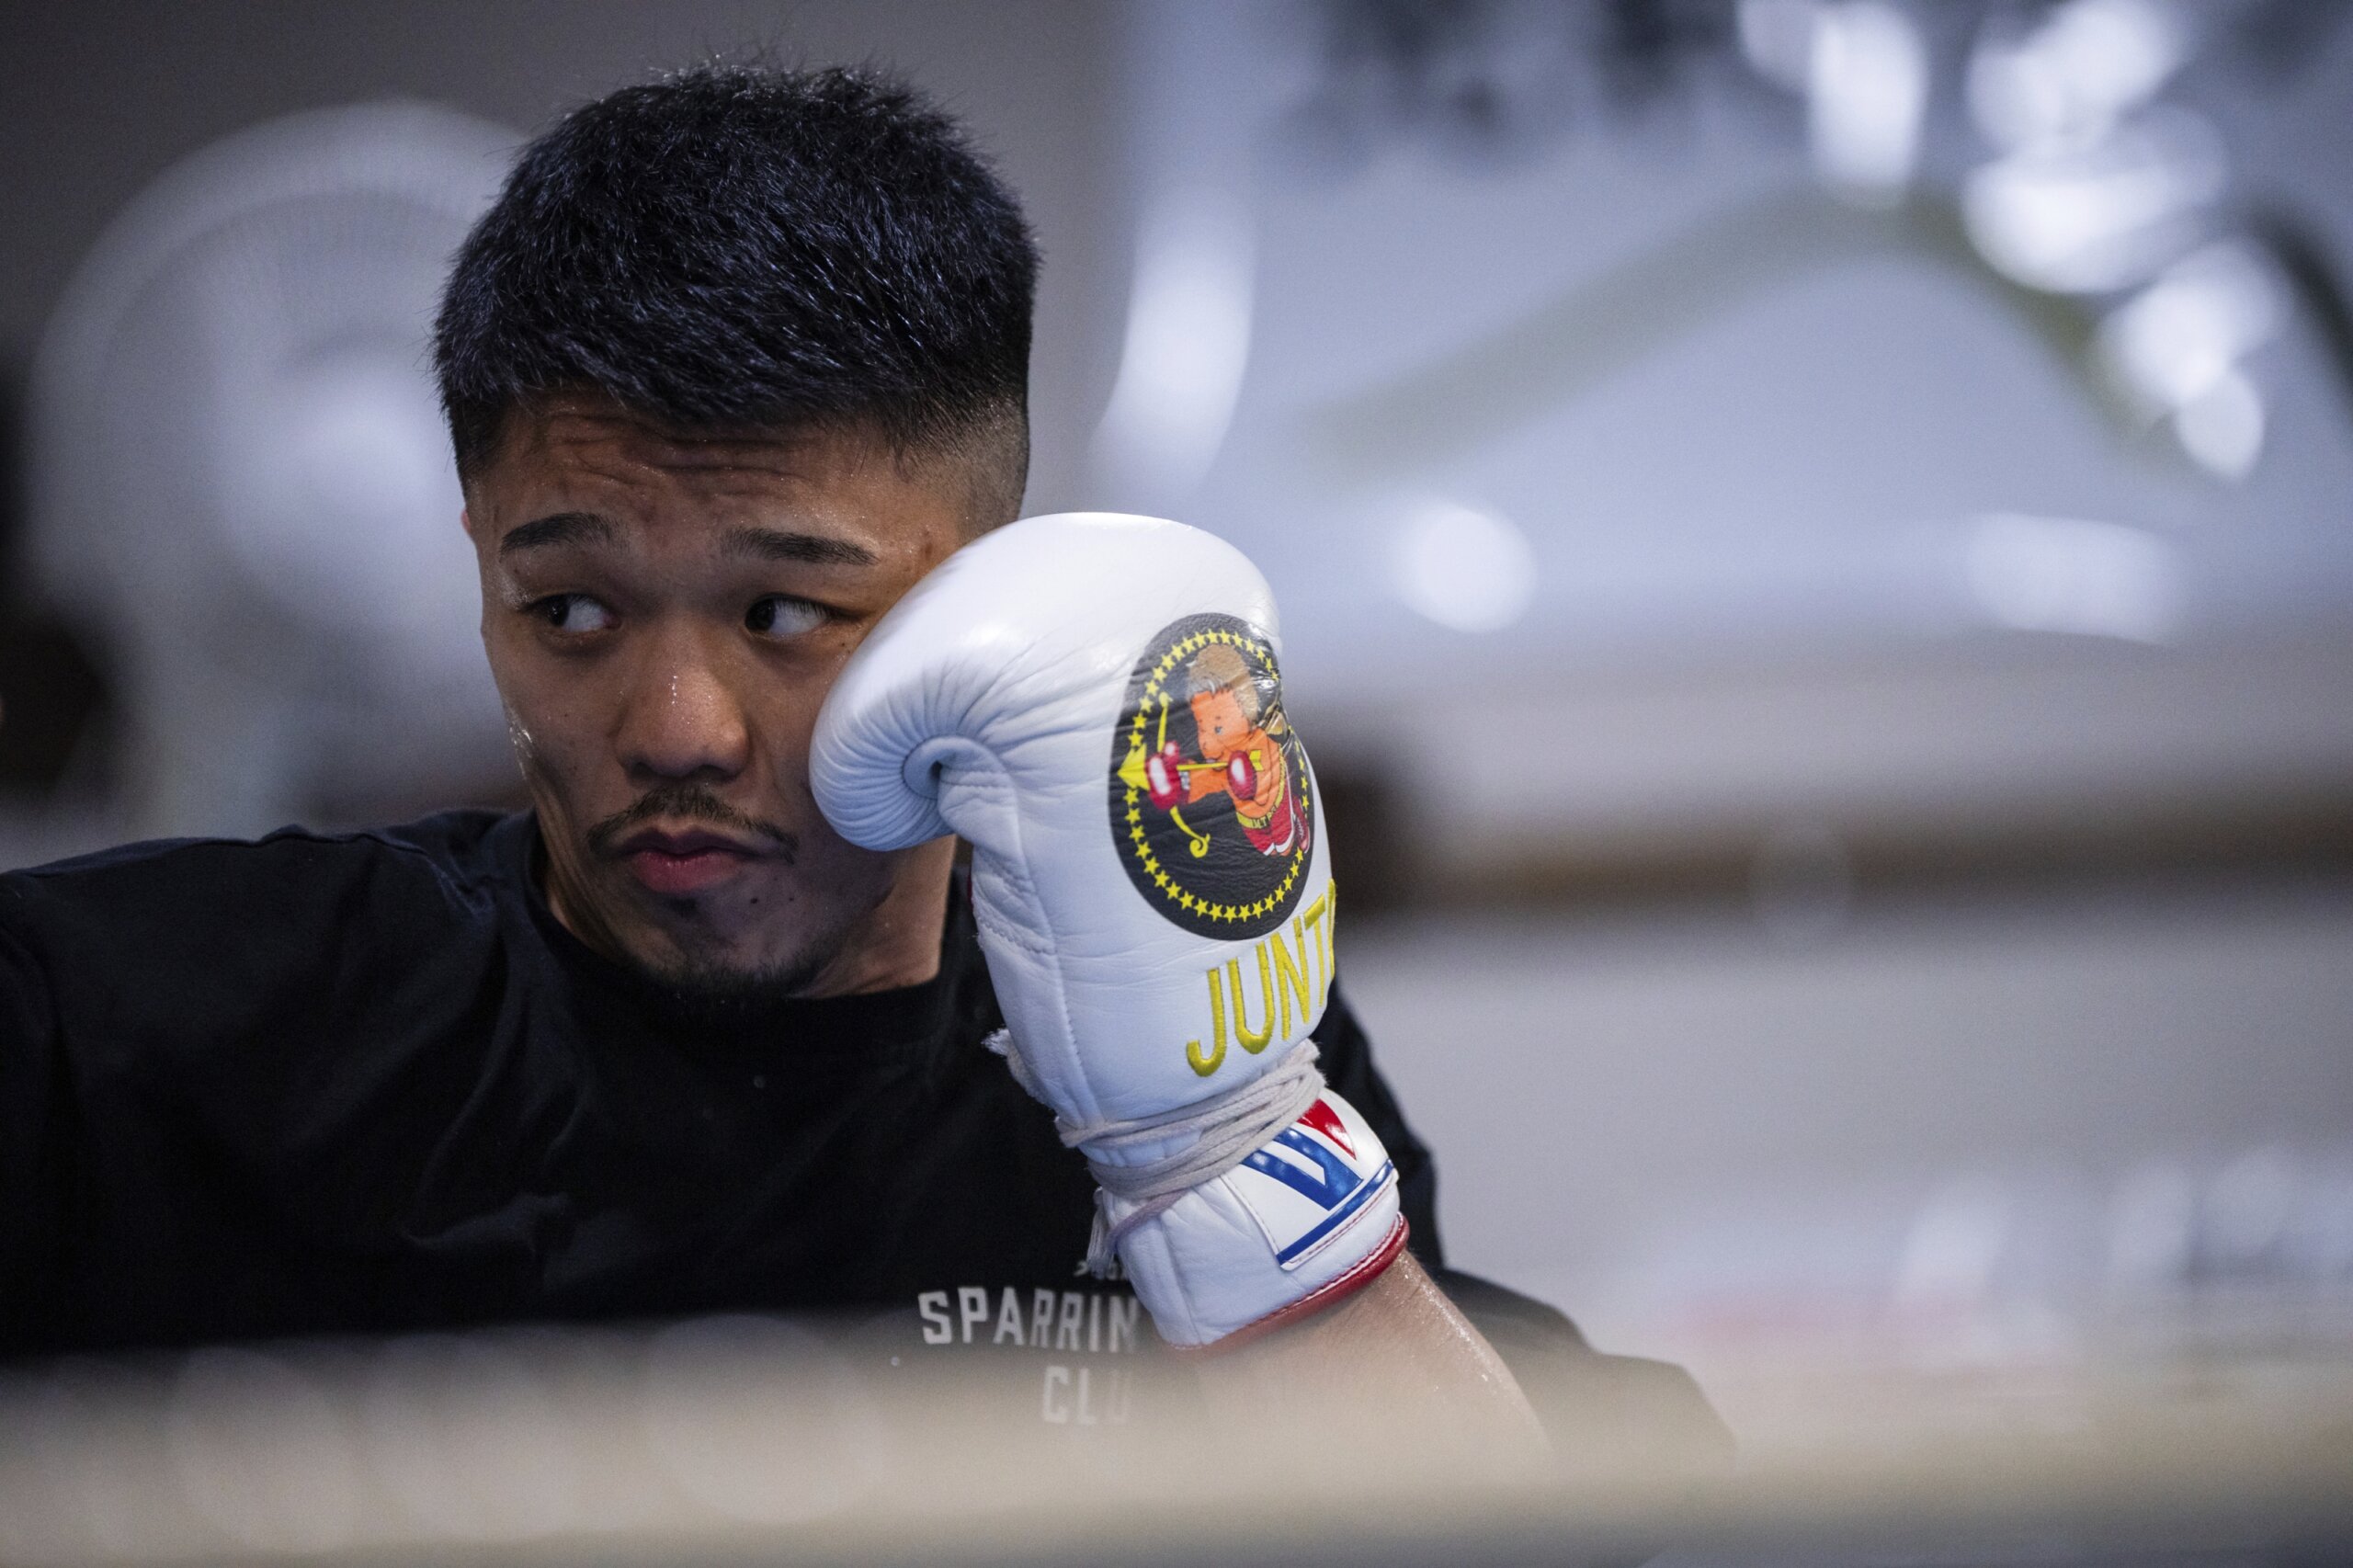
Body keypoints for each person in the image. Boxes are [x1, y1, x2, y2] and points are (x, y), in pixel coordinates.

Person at [0, 64, 1719, 1459]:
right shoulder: (225, 1024)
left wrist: (1217, 1157)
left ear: (982, 596)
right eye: (572, 608)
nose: (674, 729)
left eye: (785, 611)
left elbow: (1554, 1508)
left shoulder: (1154, 1039)